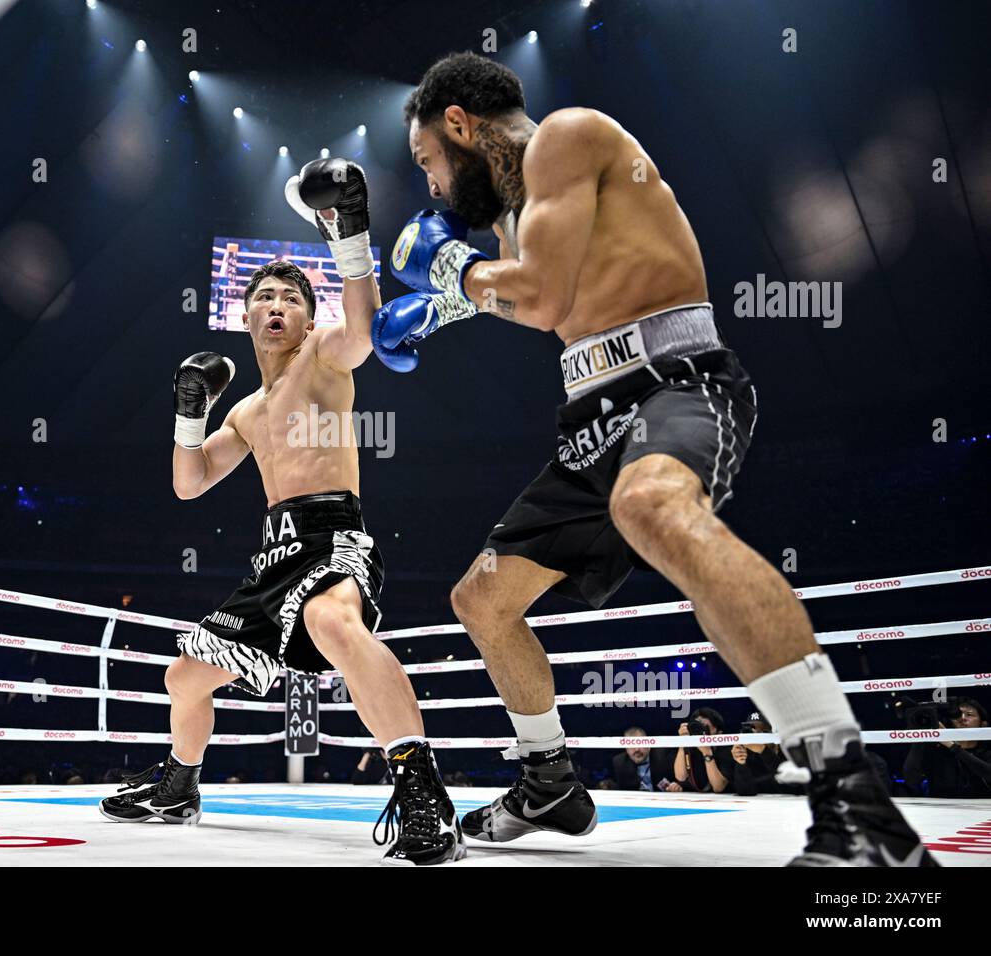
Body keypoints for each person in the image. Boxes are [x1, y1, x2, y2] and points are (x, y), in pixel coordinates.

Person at [373, 51, 933, 865]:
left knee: (652, 506)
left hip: (675, 384)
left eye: (426, 159)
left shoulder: (567, 137)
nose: (429, 184)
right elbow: (540, 296)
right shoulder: (512, 213)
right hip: (589, 420)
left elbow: (541, 296)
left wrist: (447, 273)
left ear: (459, 125)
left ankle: (856, 799)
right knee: (483, 601)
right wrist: (438, 311)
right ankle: (549, 782)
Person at [100, 159, 463, 865]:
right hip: (273, 559)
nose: (275, 306)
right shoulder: (245, 409)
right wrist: (187, 411)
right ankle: (179, 785)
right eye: (262, 296)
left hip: (334, 537)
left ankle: (421, 790)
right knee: (185, 676)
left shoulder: (323, 359)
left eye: (289, 299)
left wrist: (348, 227)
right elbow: (190, 482)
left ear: (305, 317)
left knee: (333, 621)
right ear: (244, 317)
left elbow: (361, 327)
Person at [903, 698, 991, 798]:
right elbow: (911, 780)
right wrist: (920, 738)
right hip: (940, 811)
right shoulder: (937, 751)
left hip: (983, 811)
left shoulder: (987, 753)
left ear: (983, 724)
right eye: (957, 715)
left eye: (969, 714)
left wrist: (952, 746)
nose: (962, 718)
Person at [673, 708, 733, 793]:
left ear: (719, 733)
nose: (701, 731)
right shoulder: (692, 746)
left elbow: (718, 787)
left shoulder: (728, 750)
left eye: (705, 728)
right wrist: (683, 743)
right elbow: (680, 777)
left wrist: (707, 753)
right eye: (698, 726)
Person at [611, 725, 675, 792]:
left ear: (648, 744)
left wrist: (677, 785)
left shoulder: (663, 754)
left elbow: (679, 780)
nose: (636, 749)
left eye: (640, 744)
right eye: (631, 746)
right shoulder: (620, 762)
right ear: (626, 749)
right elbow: (622, 789)